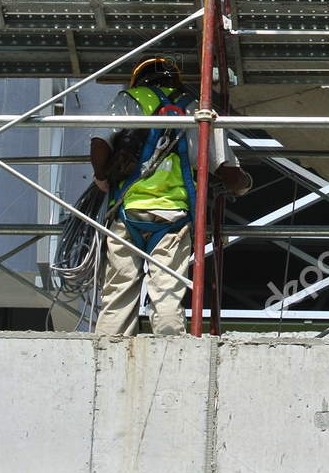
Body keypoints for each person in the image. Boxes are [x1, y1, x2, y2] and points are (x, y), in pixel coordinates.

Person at [89, 56, 251, 337]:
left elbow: (100, 142)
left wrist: (102, 176)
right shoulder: (198, 112)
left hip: (128, 211)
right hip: (173, 216)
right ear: (175, 81)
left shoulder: (128, 100)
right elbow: (228, 173)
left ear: (139, 79)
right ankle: (169, 349)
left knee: (118, 293)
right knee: (166, 290)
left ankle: (107, 353)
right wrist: (245, 184)